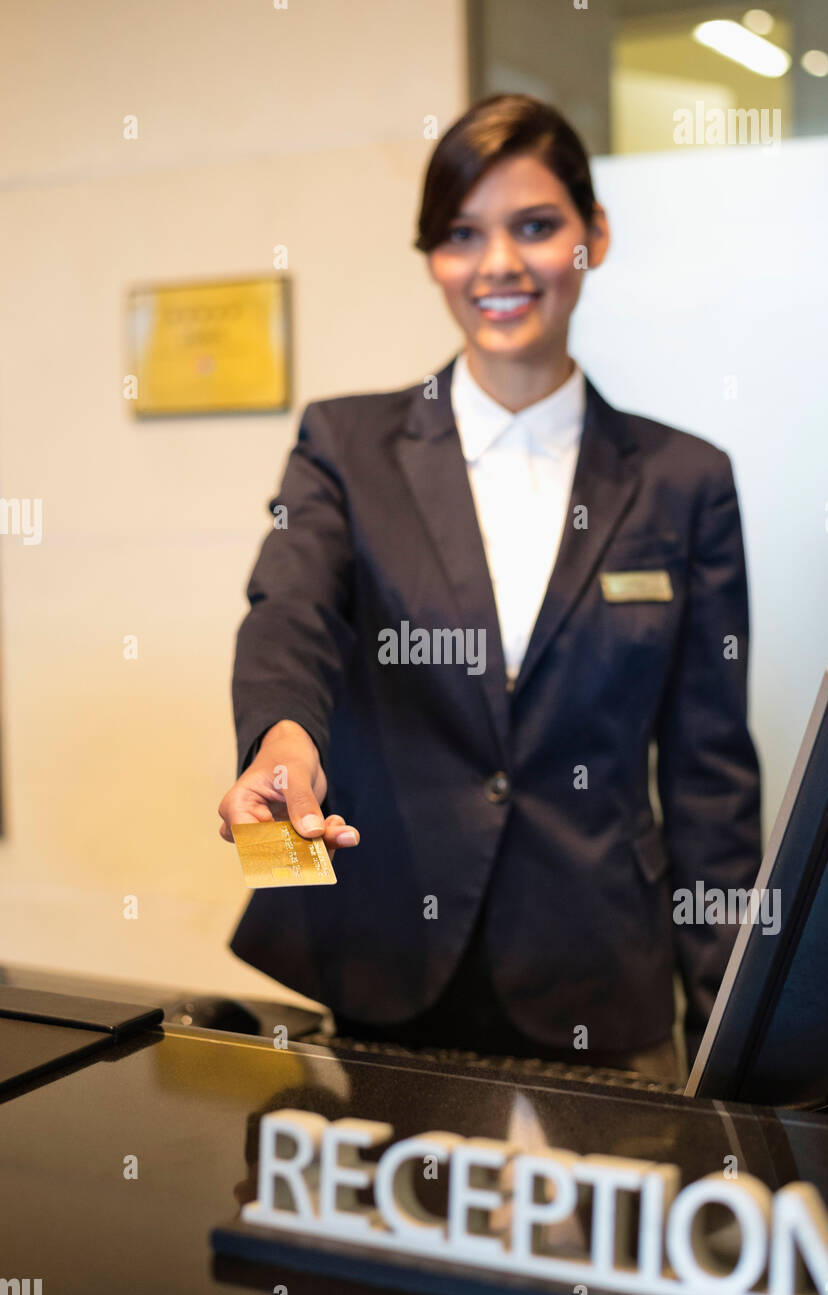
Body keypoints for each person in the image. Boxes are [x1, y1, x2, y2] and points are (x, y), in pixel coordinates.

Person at [217, 93, 762, 1083]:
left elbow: (708, 776)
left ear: (593, 236)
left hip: (600, 979)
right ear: (431, 257)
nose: (499, 265)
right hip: (385, 968)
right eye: (463, 235)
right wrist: (278, 738)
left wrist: (733, 1031)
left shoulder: (683, 480)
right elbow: (292, 608)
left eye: (536, 225)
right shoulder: (348, 445)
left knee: (598, 1237)